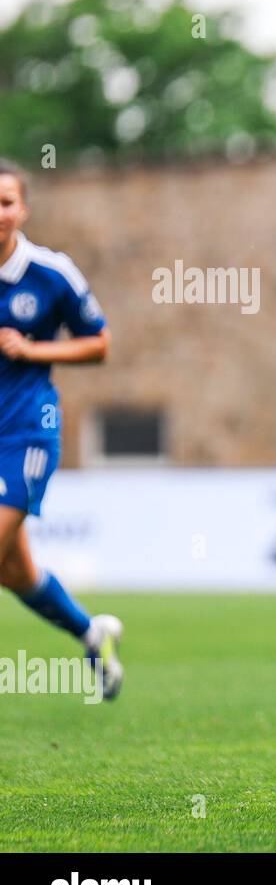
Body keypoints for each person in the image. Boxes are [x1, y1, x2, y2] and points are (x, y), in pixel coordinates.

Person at [0, 158, 123, 698]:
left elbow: (100, 343)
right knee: (15, 572)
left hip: (27, 431)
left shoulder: (51, 273)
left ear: (23, 208)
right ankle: (92, 632)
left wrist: (33, 349)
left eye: (6, 202)